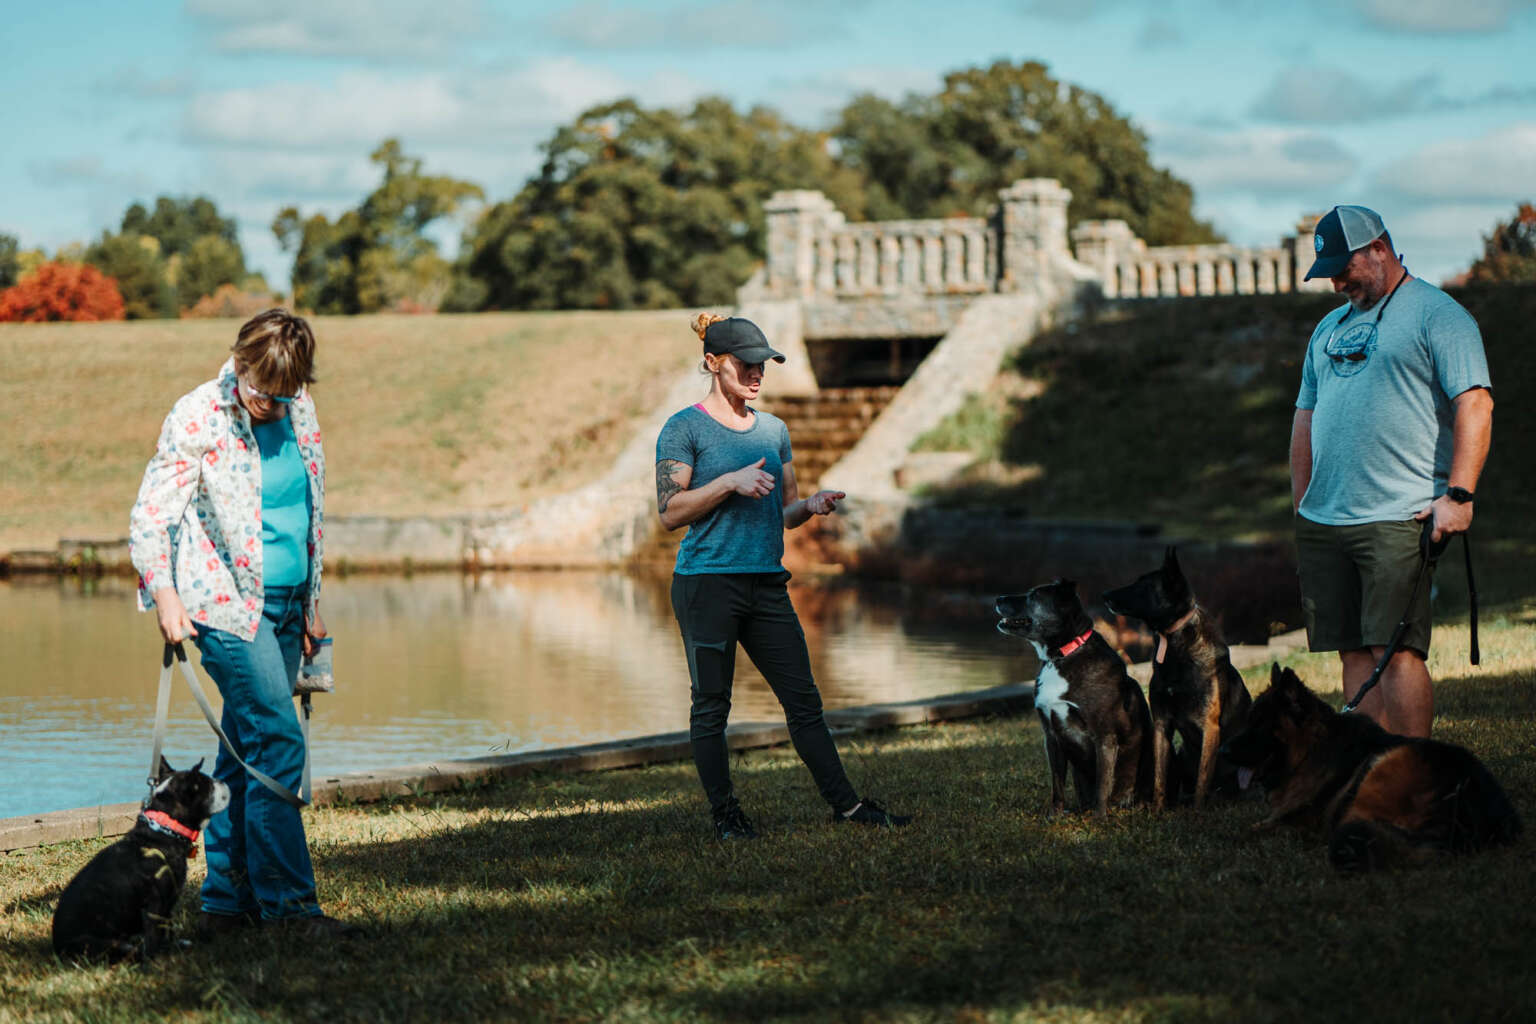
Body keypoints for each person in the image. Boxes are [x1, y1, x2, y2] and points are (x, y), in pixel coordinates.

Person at [129, 308, 359, 938]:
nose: (271, 404)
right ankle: (291, 909)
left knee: (242, 754)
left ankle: (227, 904)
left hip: (287, 605)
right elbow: (152, 514)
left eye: (285, 393)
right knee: (278, 743)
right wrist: (165, 594)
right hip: (225, 606)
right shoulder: (198, 414)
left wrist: (311, 600)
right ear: (239, 361)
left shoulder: (299, 407)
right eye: (262, 390)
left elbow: (308, 508)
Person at [655, 313, 912, 838]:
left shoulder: (774, 430)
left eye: (764, 365)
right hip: (706, 584)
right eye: (746, 364)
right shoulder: (683, 428)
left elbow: (785, 512)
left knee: (804, 701)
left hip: (766, 585)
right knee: (711, 706)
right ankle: (726, 817)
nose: (757, 373)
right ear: (713, 363)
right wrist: (728, 481)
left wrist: (810, 506)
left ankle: (848, 808)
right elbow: (669, 513)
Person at [1289, 205, 1493, 739]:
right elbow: (1305, 417)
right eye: (1329, 274)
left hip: (1399, 515)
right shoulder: (1327, 328)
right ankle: (1368, 771)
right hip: (1325, 520)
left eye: (1343, 270)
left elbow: (1475, 404)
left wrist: (1460, 495)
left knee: (1395, 650)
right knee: (1353, 651)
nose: (1336, 284)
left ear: (1378, 249)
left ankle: (1414, 771)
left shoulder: (1437, 314)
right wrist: (1303, 504)